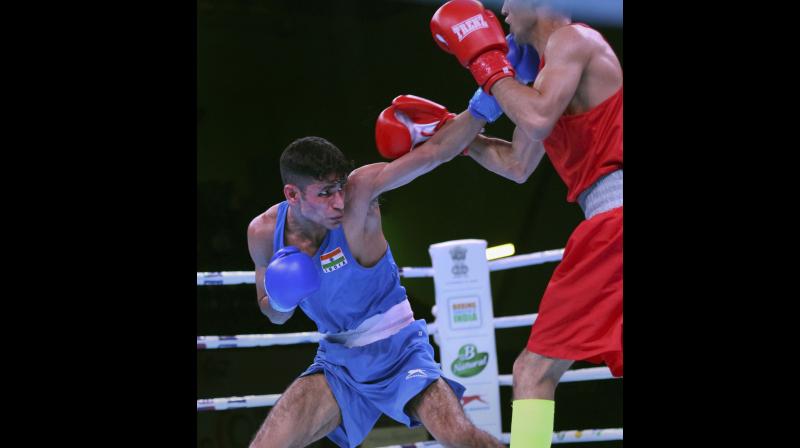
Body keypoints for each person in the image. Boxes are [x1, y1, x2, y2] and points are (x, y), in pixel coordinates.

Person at [246, 94, 503, 448]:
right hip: (339, 362)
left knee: (462, 437)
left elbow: (433, 153)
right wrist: (281, 296)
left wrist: (486, 101)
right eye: (324, 193)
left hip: (400, 346)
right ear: (293, 194)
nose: (338, 202)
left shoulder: (360, 193)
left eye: (338, 187)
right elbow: (273, 315)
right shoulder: (262, 234)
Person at [430, 1, 623, 446]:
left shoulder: (574, 40)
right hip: (609, 222)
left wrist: (488, 67)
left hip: (614, 223)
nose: (502, 10)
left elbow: (535, 119)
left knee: (532, 371)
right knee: (535, 371)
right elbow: (516, 163)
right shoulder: (546, 75)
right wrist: (452, 134)